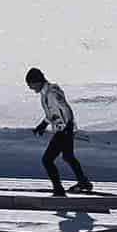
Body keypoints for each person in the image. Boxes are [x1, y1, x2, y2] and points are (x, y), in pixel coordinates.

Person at [23, 67, 96, 196]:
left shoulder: (52, 92)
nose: (30, 88)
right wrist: (43, 124)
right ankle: (83, 182)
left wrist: (68, 126)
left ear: (38, 81)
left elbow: (66, 109)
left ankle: (58, 189)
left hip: (63, 130)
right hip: (62, 130)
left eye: (31, 84)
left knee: (47, 160)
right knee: (68, 156)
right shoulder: (45, 94)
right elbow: (52, 113)